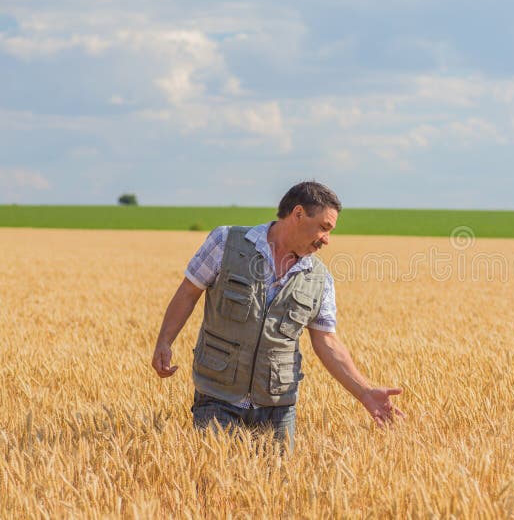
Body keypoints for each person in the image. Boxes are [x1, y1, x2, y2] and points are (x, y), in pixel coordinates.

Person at [151, 181, 405, 450]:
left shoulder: (320, 279)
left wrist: (365, 392)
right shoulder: (226, 242)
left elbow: (327, 341)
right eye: (324, 227)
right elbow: (189, 291)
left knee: (278, 488)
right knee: (211, 485)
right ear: (297, 214)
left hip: (278, 408)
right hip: (217, 396)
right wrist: (165, 341)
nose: (326, 239)